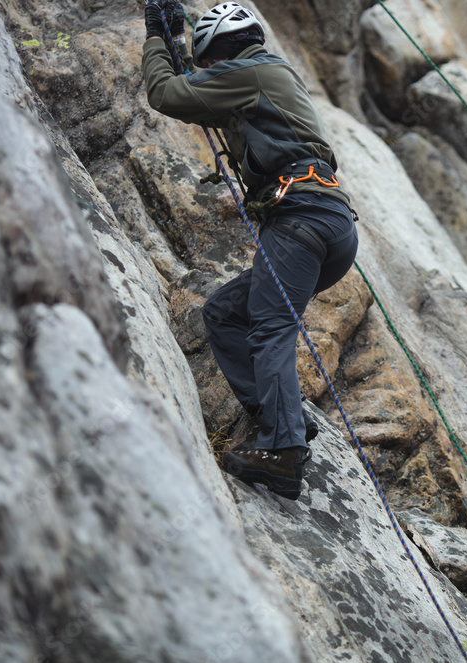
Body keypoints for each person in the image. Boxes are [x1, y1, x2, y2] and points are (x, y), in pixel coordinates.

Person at [141, 1, 358, 500]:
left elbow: (167, 93)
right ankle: (283, 419)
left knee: (270, 326)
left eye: (209, 61)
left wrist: (158, 39)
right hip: (327, 224)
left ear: (221, 50)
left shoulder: (252, 72)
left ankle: (281, 450)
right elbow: (197, 90)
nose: (209, 72)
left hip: (300, 219)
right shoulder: (264, 75)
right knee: (224, 312)